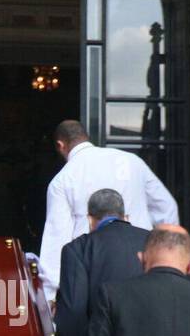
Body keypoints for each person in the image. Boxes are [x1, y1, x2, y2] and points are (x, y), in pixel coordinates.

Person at [55, 193, 190, 336]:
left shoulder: (78, 249)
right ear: (125, 217)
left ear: (90, 219)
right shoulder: (158, 243)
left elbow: (73, 315)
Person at [38, 119, 180, 303]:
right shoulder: (132, 161)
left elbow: (57, 238)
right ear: (86, 137)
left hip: (93, 268)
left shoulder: (63, 179)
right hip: (142, 260)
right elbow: (166, 207)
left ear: (60, 145)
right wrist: (166, 258)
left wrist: (50, 296)